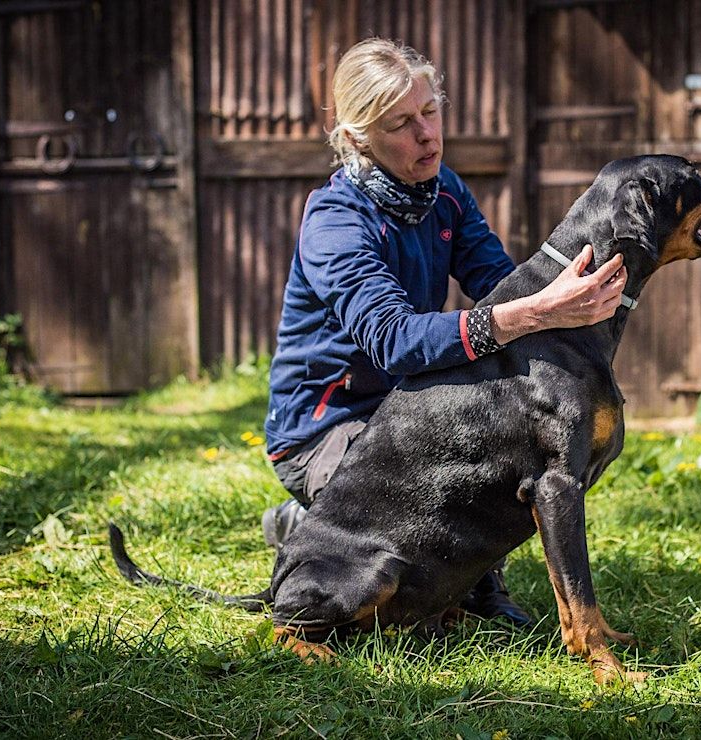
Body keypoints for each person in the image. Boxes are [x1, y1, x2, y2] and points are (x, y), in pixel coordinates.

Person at [262, 38, 627, 629]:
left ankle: (482, 586)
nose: (427, 134)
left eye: (430, 111)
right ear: (358, 137)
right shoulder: (335, 221)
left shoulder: (446, 192)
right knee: (408, 597)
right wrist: (536, 312)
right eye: (401, 124)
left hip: (405, 411)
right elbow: (398, 339)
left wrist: (573, 294)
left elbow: (501, 285)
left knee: (506, 431)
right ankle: (305, 525)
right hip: (325, 428)